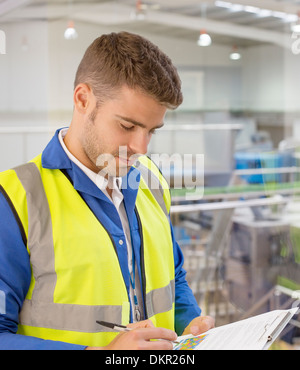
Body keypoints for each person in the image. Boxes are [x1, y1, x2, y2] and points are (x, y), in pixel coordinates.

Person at [0, 31, 214, 350]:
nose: (140, 147)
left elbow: (174, 273)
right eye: (127, 126)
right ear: (83, 99)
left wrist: (190, 321)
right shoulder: (15, 199)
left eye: (151, 131)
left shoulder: (151, 180)